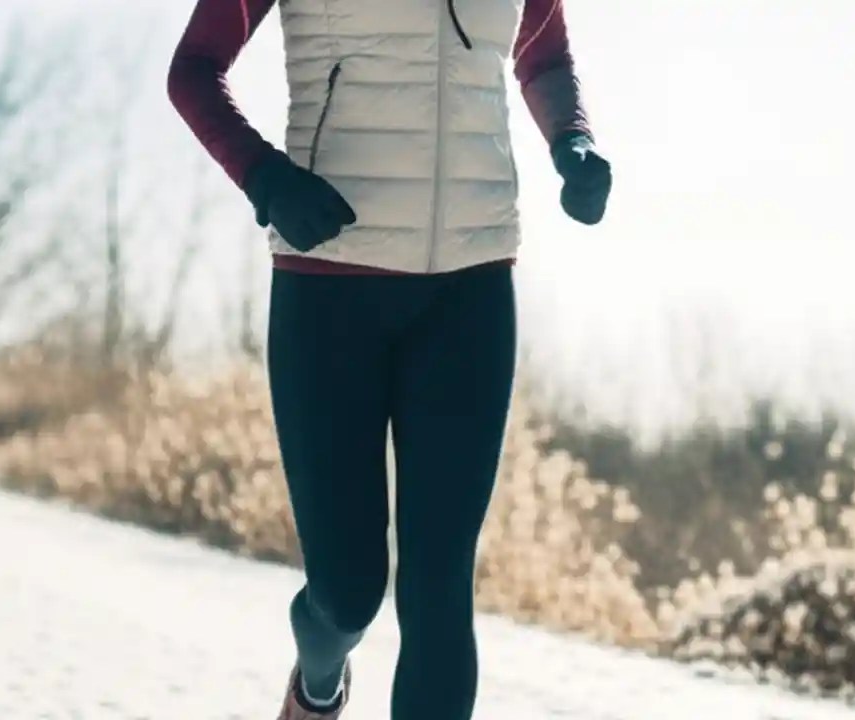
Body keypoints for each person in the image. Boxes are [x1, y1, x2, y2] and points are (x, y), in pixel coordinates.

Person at [167, 0, 611, 717]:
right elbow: (194, 69)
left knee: (439, 590)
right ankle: (318, 682)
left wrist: (573, 141)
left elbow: (544, 54)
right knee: (345, 595)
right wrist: (265, 178)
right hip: (330, 287)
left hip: (471, 288)